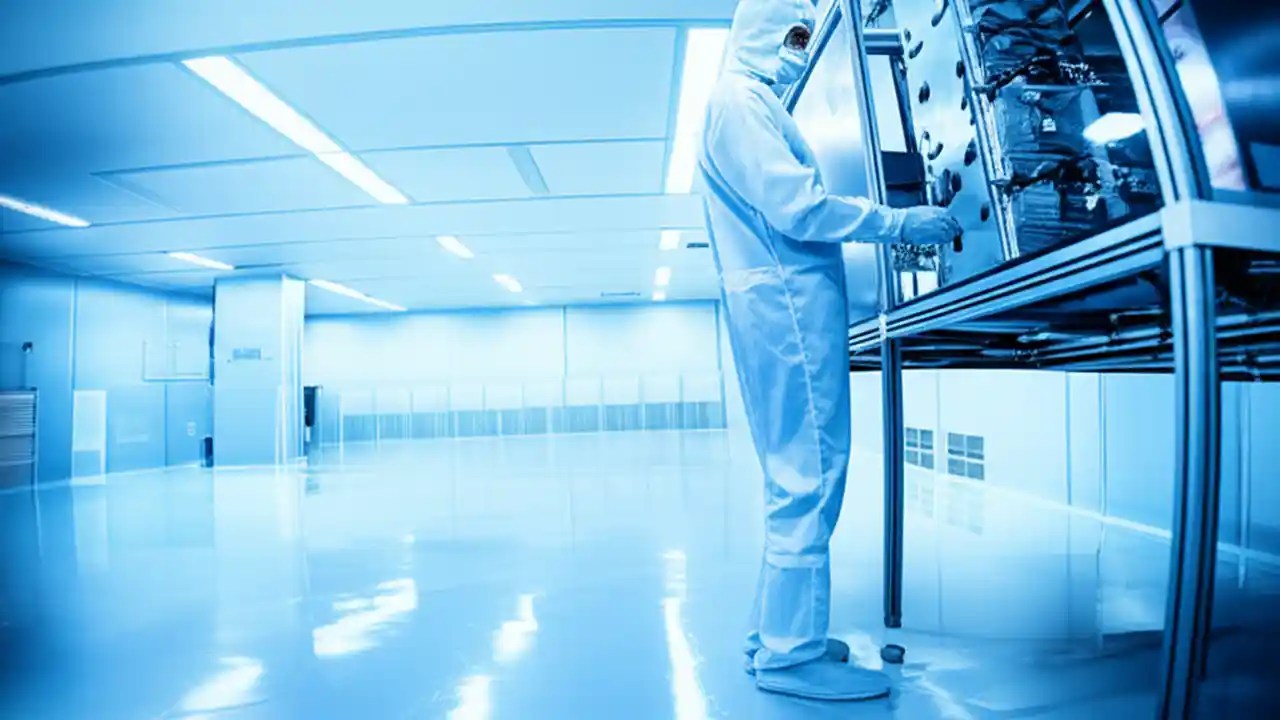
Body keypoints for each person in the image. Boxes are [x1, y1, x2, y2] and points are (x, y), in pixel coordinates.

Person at [697, 0, 963, 702]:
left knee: (794, 476)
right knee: (809, 477)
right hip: (788, 312)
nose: (797, 52)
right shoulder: (741, 103)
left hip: (779, 310)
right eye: (791, 36)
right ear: (758, 30)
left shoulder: (743, 104)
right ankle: (790, 659)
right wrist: (902, 220)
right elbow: (802, 209)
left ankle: (775, 635)